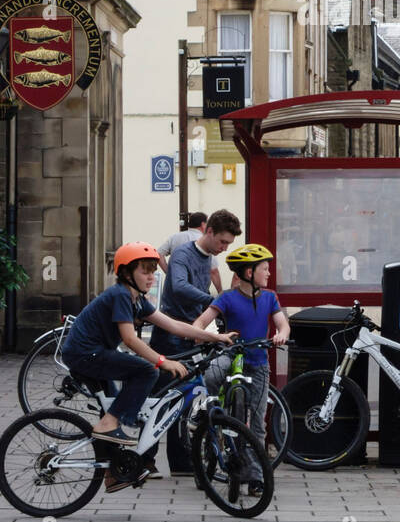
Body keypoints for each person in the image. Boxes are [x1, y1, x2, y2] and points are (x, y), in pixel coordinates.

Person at [59, 242, 231, 492]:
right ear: (127, 273)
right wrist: (163, 361)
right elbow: (130, 339)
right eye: (145, 271)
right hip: (85, 354)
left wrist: (216, 337)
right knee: (146, 370)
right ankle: (113, 423)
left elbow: (173, 325)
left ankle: (113, 473)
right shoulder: (120, 294)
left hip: (94, 354)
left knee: (112, 406)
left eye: (153, 271)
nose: (151, 277)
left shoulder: (137, 299)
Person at [191, 243, 289, 497]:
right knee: (211, 374)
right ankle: (206, 414)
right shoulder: (228, 298)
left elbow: (282, 324)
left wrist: (281, 335)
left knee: (257, 426)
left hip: (257, 363)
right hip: (231, 355)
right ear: (248, 273)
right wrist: (204, 335)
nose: (268, 273)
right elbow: (201, 322)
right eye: (264, 269)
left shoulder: (270, 297)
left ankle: (256, 477)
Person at [150, 208, 241, 473]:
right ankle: (147, 460)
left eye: (228, 244)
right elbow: (178, 286)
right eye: (223, 241)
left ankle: (180, 462)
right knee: (162, 398)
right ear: (209, 231)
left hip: (190, 331)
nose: (224, 249)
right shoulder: (183, 254)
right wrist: (213, 300)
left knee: (186, 399)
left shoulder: (207, 256)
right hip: (171, 333)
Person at [156, 213, 221, 290]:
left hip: (175, 288)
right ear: (203, 224)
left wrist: (169, 273)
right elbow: (213, 271)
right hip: (197, 290)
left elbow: (159, 254)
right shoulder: (205, 241)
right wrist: (220, 292)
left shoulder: (175, 237)